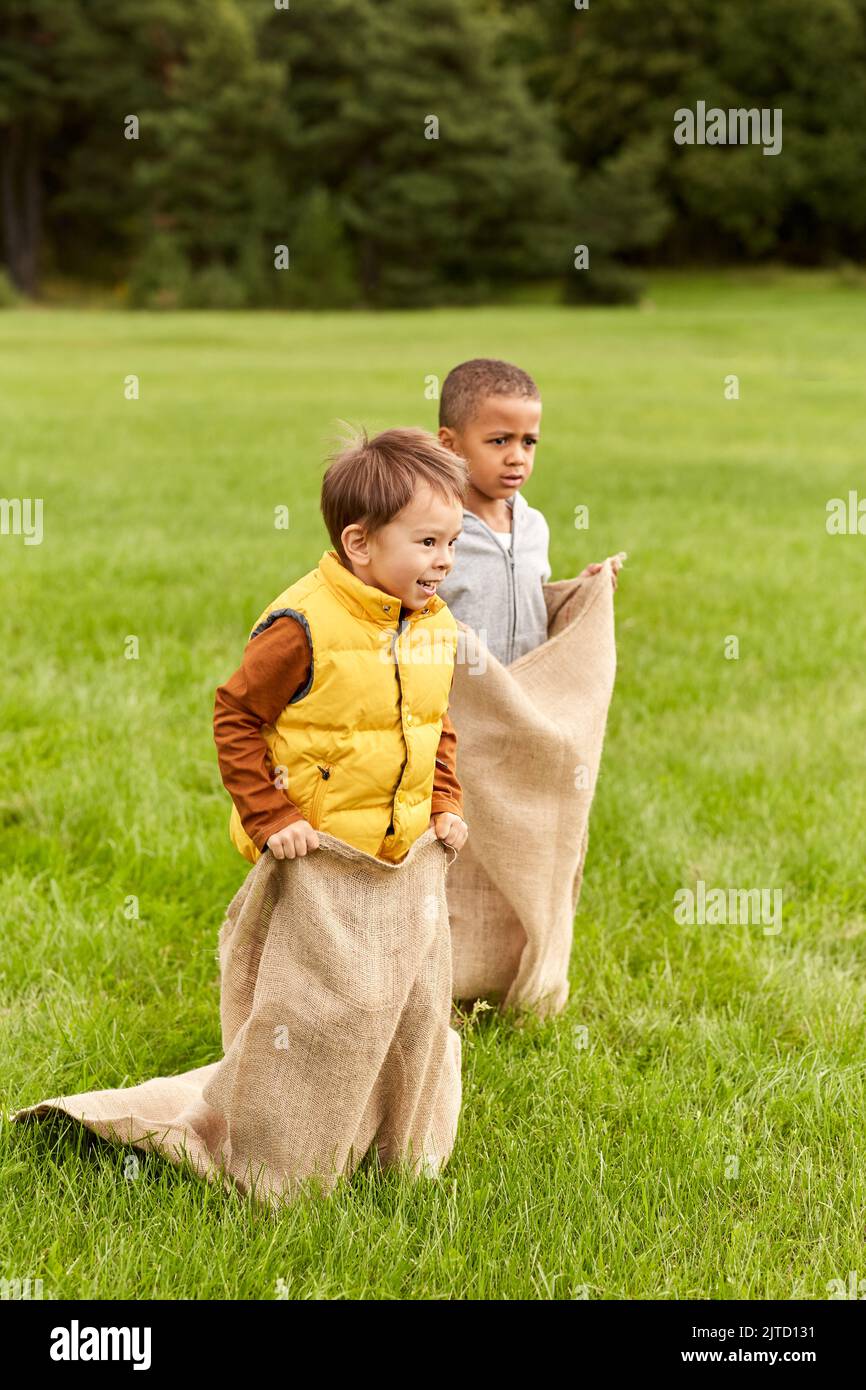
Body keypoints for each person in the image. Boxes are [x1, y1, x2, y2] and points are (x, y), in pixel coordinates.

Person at [214, 427, 471, 863]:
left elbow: (431, 721)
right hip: (309, 856)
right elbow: (236, 716)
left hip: (390, 859)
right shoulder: (303, 627)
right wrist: (271, 817)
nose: (445, 558)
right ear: (359, 543)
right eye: (428, 542)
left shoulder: (436, 624)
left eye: (452, 542)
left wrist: (443, 800)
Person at [435, 358, 620, 665]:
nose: (517, 457)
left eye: (529, 442)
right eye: (500, 441)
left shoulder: (533, 526)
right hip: (452, 705)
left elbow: (527, 609)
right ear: (449, 444)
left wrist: (578, 592)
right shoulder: (431, 532)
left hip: (523, 699)